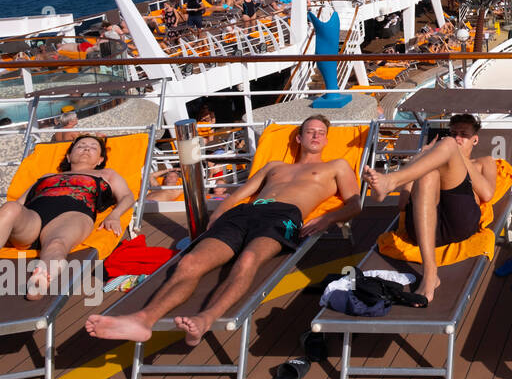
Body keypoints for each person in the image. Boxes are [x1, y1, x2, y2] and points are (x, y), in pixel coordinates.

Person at [85, 116, 360, 345]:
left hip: (284, 217)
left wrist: (328, 219)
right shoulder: (275, 166)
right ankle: (143, 320)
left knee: (249, 260)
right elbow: (241, 193)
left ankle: (205, 319)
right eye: (309, 131)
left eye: (320, 133)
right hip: (245, 213)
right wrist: (217, 214)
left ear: (326, 140)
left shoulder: (336, 166)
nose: (315, 136)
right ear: (298, 138)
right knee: (191, 261)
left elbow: (356, 203)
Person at [361, 114, 498, 304]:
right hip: (422, 229)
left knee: (446, 149)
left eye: (464, 135)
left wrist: (456, 154)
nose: (458, 138)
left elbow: (487, 193)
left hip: (459, 222)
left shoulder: (484, 162)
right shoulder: (427, 160)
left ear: (475, 139)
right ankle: (430, 273)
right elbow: (403, 203)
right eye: (453, 133)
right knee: (428, 174)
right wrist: (420, 156)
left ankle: (390, 180)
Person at [0, 135, 134, 300]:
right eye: (81, 145)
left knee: (56, 243)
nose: (86, 148)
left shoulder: (106, 174)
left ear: (99, 159)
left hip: (73, 214)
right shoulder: (45, 176)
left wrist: (114, 215)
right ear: (69, 156)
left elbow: (127, 196)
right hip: (33, 218)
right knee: (10, 207)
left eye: (93, 147)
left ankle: (42, 278)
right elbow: (20, 203)